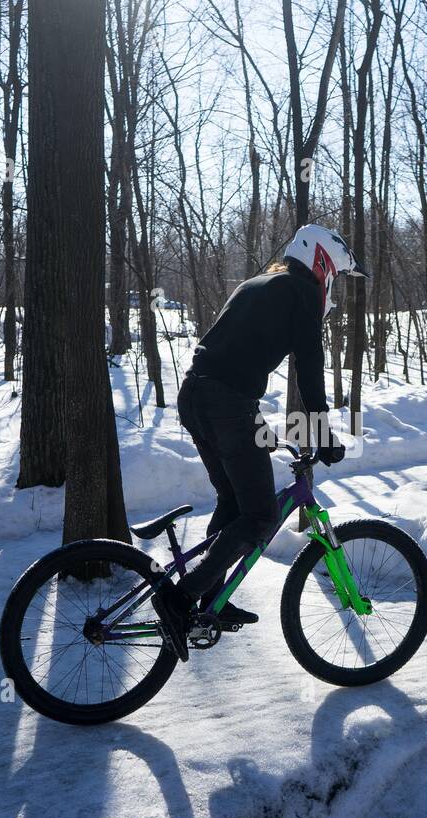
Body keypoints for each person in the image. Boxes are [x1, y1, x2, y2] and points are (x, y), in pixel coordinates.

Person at [153, 224, 368, 654]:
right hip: (225, 403)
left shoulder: (261, 282)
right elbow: (308, 370)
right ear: (322, 263)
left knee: (234, 504)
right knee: (261, 517)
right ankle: (179, 599)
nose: (333, 285)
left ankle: (211, 595)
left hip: (197, 396)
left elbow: (235, 355)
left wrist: (256, 427)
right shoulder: (301, 292)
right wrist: (323, 435)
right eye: (336, 275)